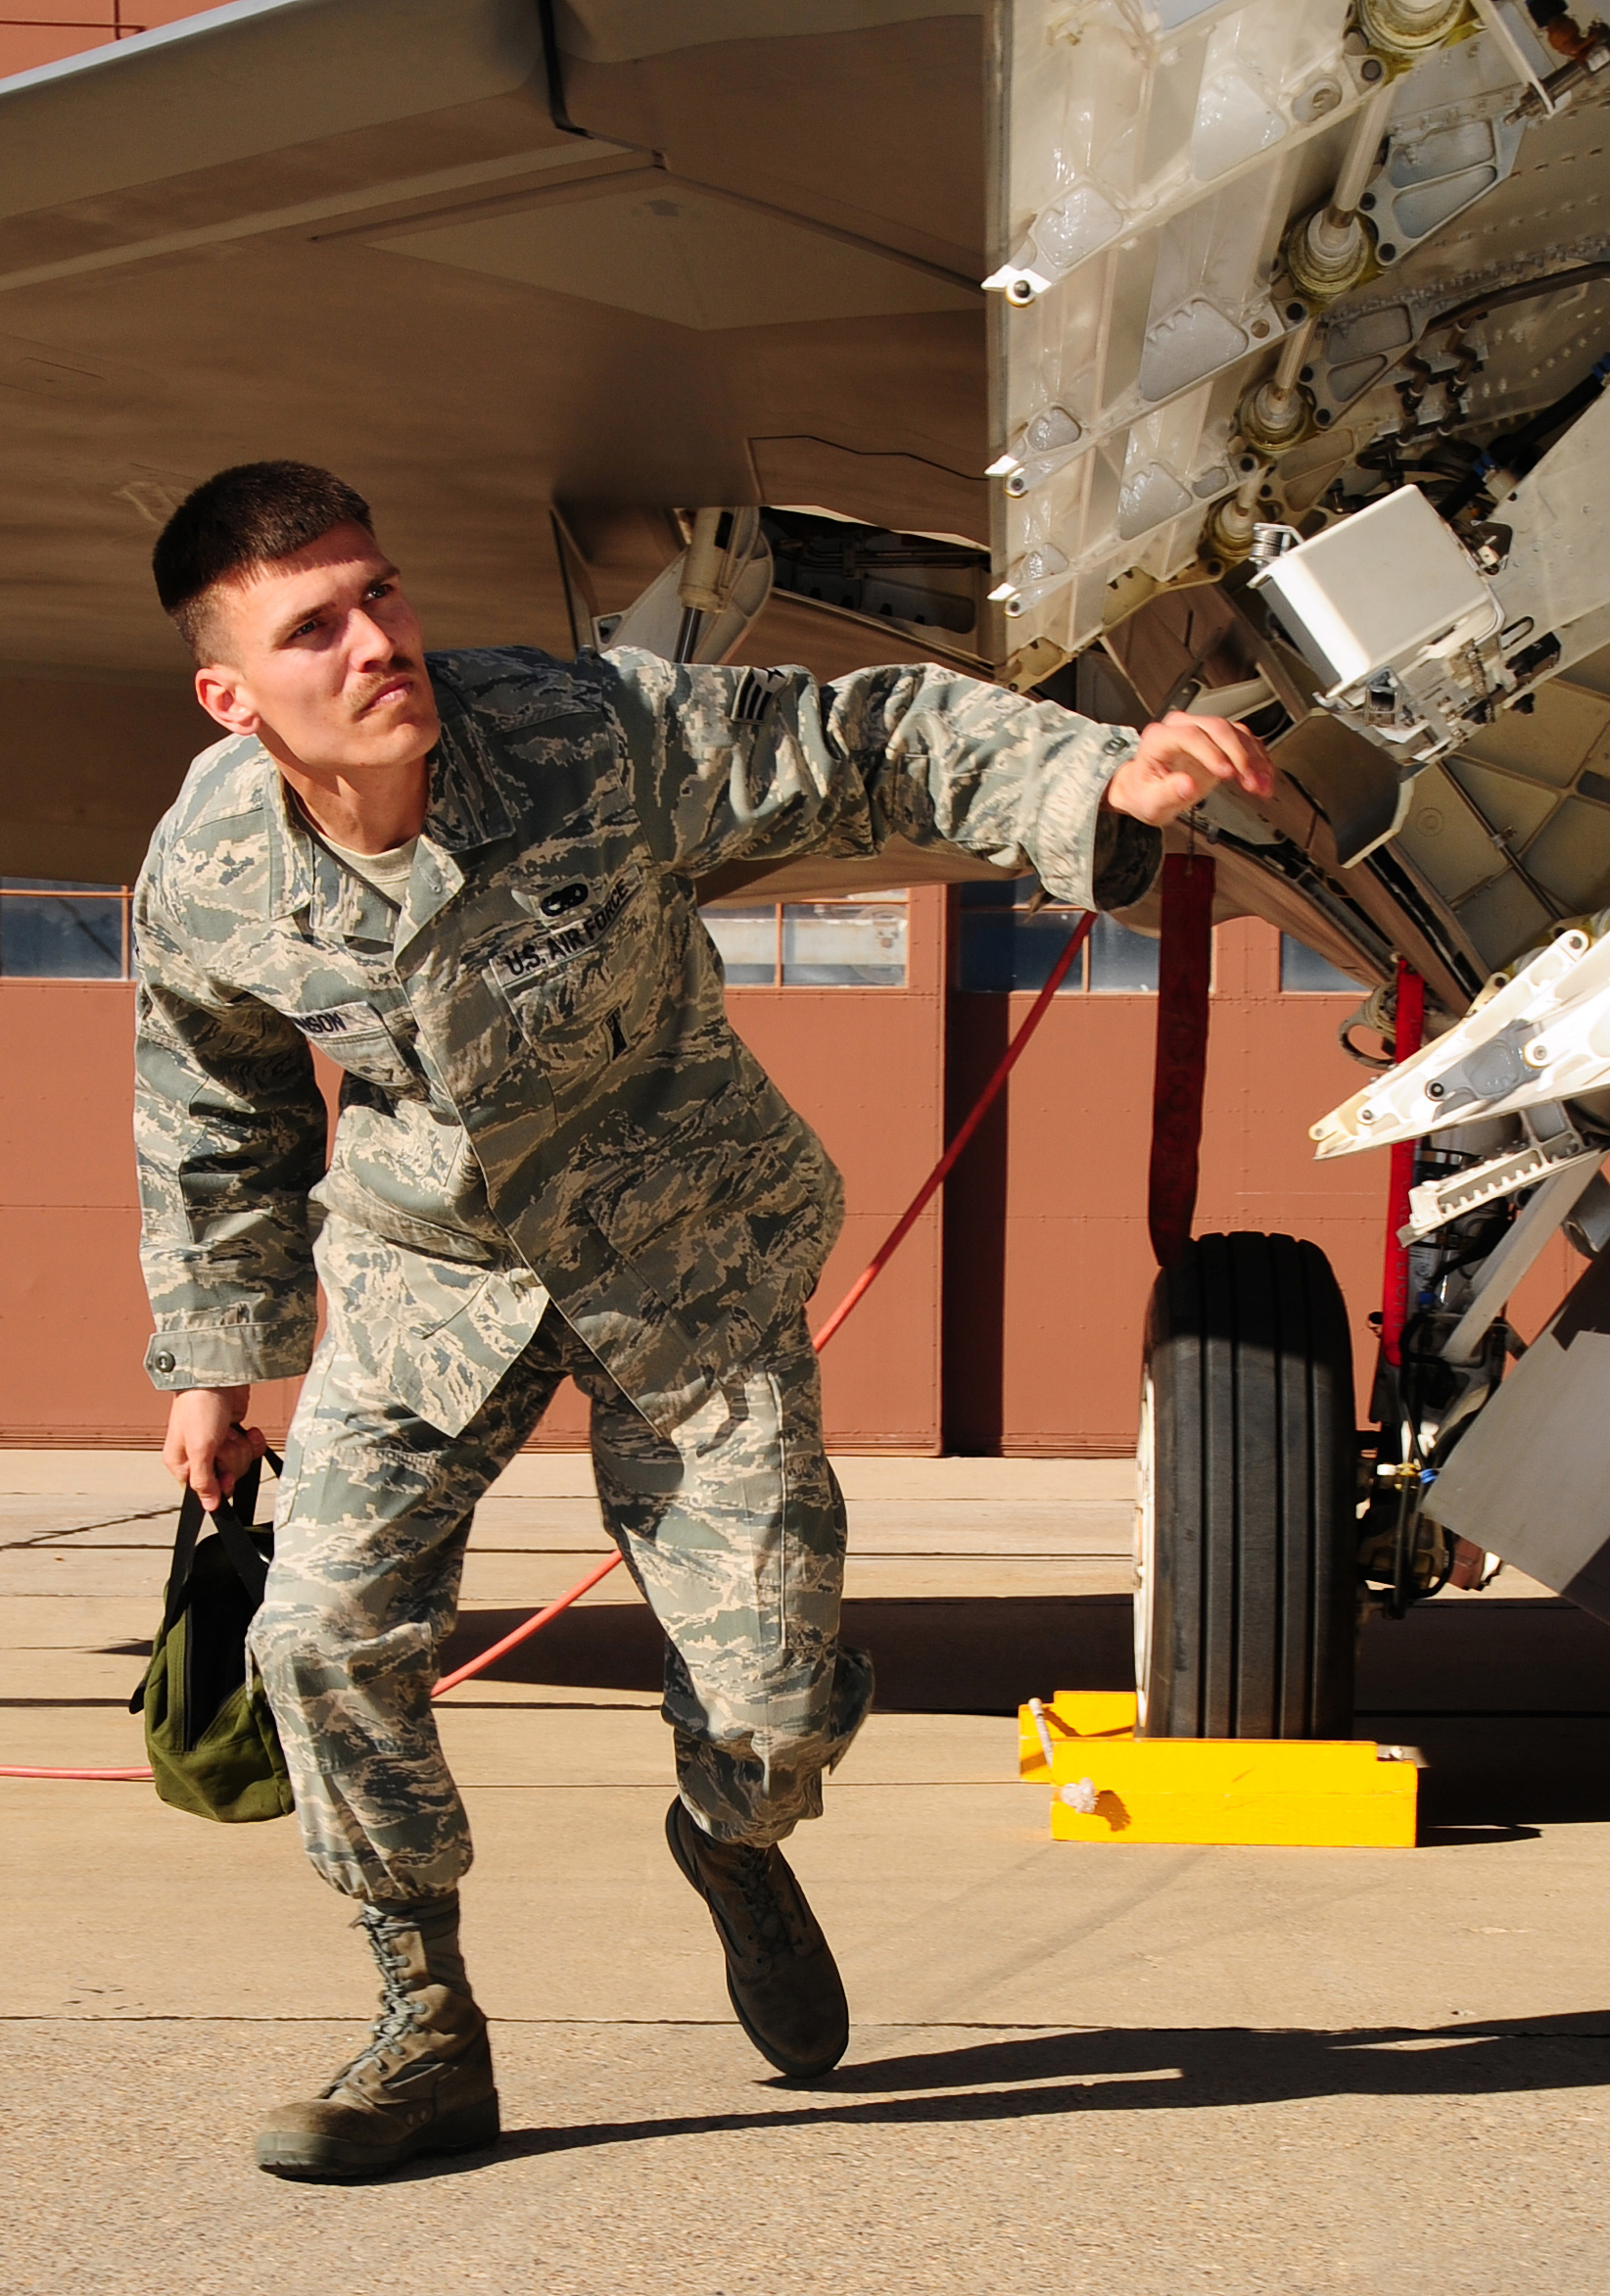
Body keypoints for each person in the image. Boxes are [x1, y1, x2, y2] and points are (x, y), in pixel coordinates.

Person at [133, 460, 1271, 2181]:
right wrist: (221, 1366)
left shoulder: (583, 732)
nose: (377, 640)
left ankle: (735, 1840)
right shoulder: (209, 865)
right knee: (317, 1639)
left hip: (683, 1248)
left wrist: (1088, 776)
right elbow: (218, 1111)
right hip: (430, 1273)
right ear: (232, 695)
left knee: (776, 1702)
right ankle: (423, 2021)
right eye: (315, 628)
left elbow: (857, 739)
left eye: (382, 592)